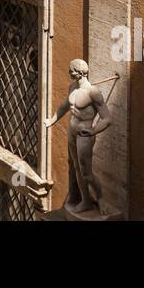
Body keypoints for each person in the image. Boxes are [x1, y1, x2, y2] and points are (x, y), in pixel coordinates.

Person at [45, 59, 112, 215]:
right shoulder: (73, 87)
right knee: (76, 168)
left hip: (84, 134)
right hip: (72, 131)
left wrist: (93, 131)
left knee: (86, 172)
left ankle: (101, 198)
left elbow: (107, 118)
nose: (69, 73)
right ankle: (86, 201)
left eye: (71, 71)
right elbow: (64, 106)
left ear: (80, 72)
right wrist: (52, 120)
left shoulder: (93, 93)